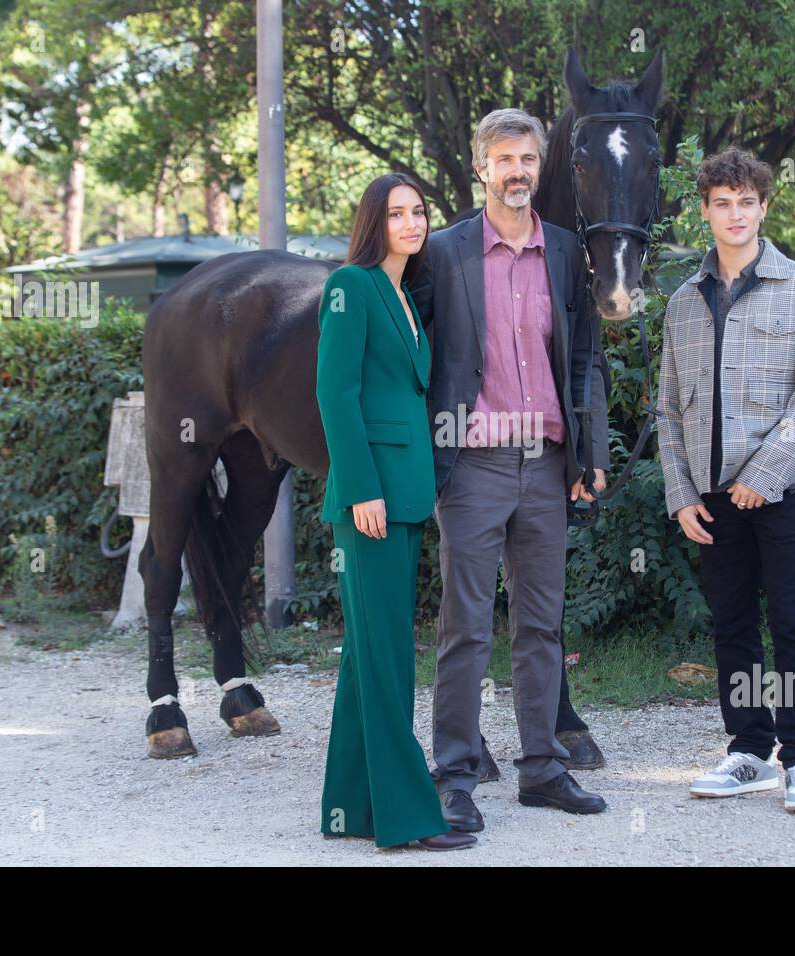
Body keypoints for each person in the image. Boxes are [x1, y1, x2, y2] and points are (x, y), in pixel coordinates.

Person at [408, 108, 610, 834]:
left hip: (549, 465)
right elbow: (413, 356)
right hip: (473, 467)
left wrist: (593, 454)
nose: (517, 172)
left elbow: (586, 359)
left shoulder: (565, 253)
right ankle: (455, 775)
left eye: (528, 159)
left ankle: (542, 769)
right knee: (465, 628)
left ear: (538, 165)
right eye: (504, 160)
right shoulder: (444, 252)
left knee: (541, 625)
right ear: (481, 168)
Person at [656, 146, 795, 813]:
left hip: (783, 491)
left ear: (764, 207)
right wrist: (680, 495)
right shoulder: (683, 302)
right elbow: (668, 408)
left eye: (746, 202)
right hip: (710, 497)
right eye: (721, 203)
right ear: (705, 210)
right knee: (731, 626)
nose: (734, 214)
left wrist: (765, 475)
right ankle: (747, 750)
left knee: (793, 624)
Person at [316, 172, 476, 851]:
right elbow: (336, 394)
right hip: (373, 499)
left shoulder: (403, 293)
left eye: (419, 212)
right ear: (372, 222)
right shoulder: (350, 287)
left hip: (407, 496)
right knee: (386, 658)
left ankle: (348, 807)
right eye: (397, 214)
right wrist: (361, 489)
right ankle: (408, 816)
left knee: (367, 653)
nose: (412, 223)